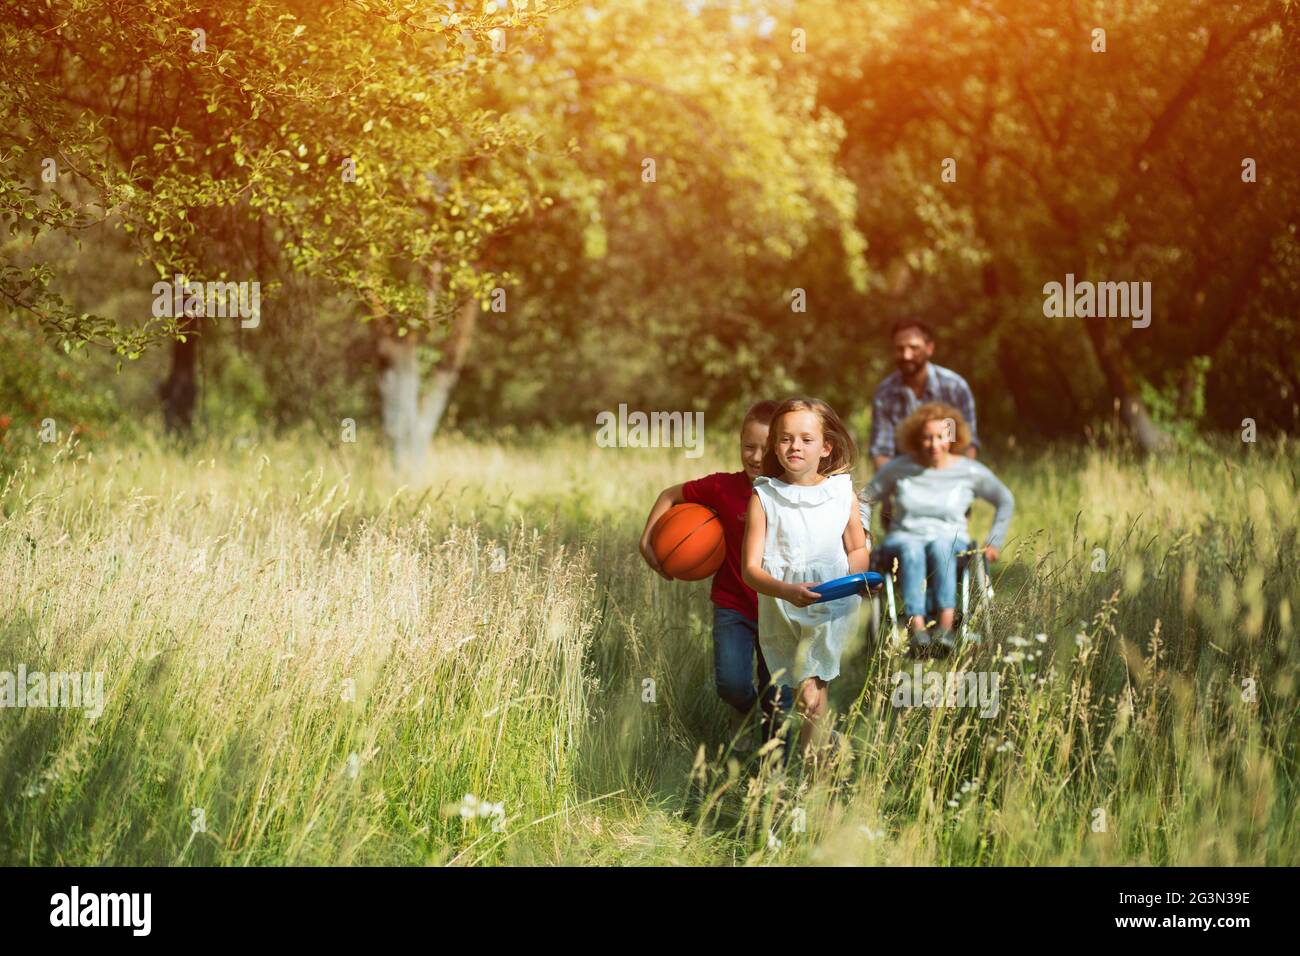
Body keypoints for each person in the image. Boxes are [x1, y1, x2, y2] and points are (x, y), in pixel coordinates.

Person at [640, 400, 792, 749]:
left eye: (765, 449)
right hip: (734, 605)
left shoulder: (793, 496)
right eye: (748, 447)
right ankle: (743, 711)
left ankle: (772, 769)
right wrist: (647, 540)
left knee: (778, 697)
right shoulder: (723, 488)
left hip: (780, 611)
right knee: (732, 684)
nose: (755, 457)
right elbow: (670, 495)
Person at [741, 397, 870, 760]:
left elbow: (857, 547)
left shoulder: (840, 492)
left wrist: (855, 580)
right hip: (784, 607)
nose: (794, 446)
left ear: (826, 446)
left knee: (811, 695)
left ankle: (814, 783)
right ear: (775, 445)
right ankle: (822, 769)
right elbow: (750, 569)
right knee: (806, 699)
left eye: (806, 439)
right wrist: (786, 590)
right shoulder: (764, 496)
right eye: (785, 439)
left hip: (829, 603)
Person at [859, 402, 1013, 656]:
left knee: (943, 544)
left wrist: (994, 541)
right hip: (904, 538)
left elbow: (1004, 499)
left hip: (950, 539)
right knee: (912, 548)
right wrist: (863, 538)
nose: (933, 444)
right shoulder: (899, 468)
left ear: (952, 437)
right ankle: (917, 629)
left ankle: (945, 627)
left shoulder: (968, 471)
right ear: (916, 439)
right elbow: (864, 499)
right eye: (926, 438)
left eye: (940, 437)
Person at [869, 320, 980, 469]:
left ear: (929, 348)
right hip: (904, 478)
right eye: (900, 348)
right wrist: (889, 485)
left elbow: (965, 445)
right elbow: (882, 451)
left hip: (948, 476)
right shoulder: (885, 394)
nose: (906, 355)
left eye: (914, 348)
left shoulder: (954, 387)